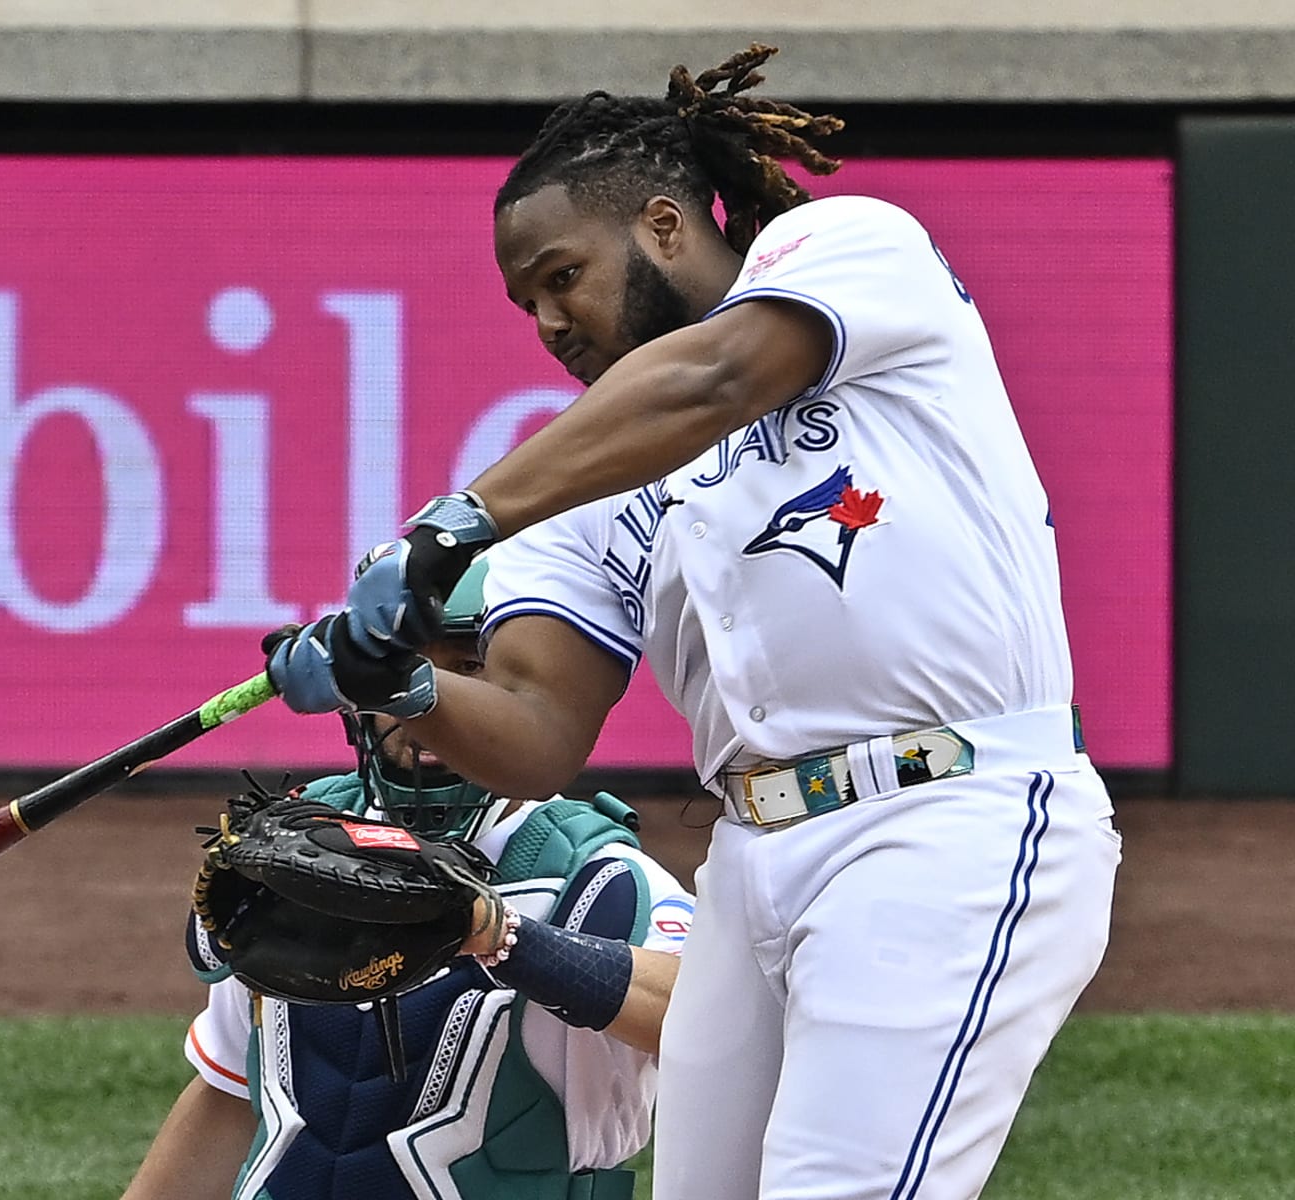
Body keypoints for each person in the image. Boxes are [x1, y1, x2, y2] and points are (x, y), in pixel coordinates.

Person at [265, 43, 1122, 1200]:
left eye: (563, 274)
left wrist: (454, 522)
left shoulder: (849, 248)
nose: (548, 319)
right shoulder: (579, 487)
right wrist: (403, 684)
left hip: (949, 819)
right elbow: (537, 728)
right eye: (526, 302)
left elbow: (715, 377)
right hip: (754, 863)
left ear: (665, 224)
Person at [124, 559, 695, 1200]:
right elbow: (229, 1096)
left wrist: (500, 936)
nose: (427, 698)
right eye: (403, 666)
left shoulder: (593, 877)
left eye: (469, 667)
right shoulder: (297, 859)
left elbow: (709, 1014)